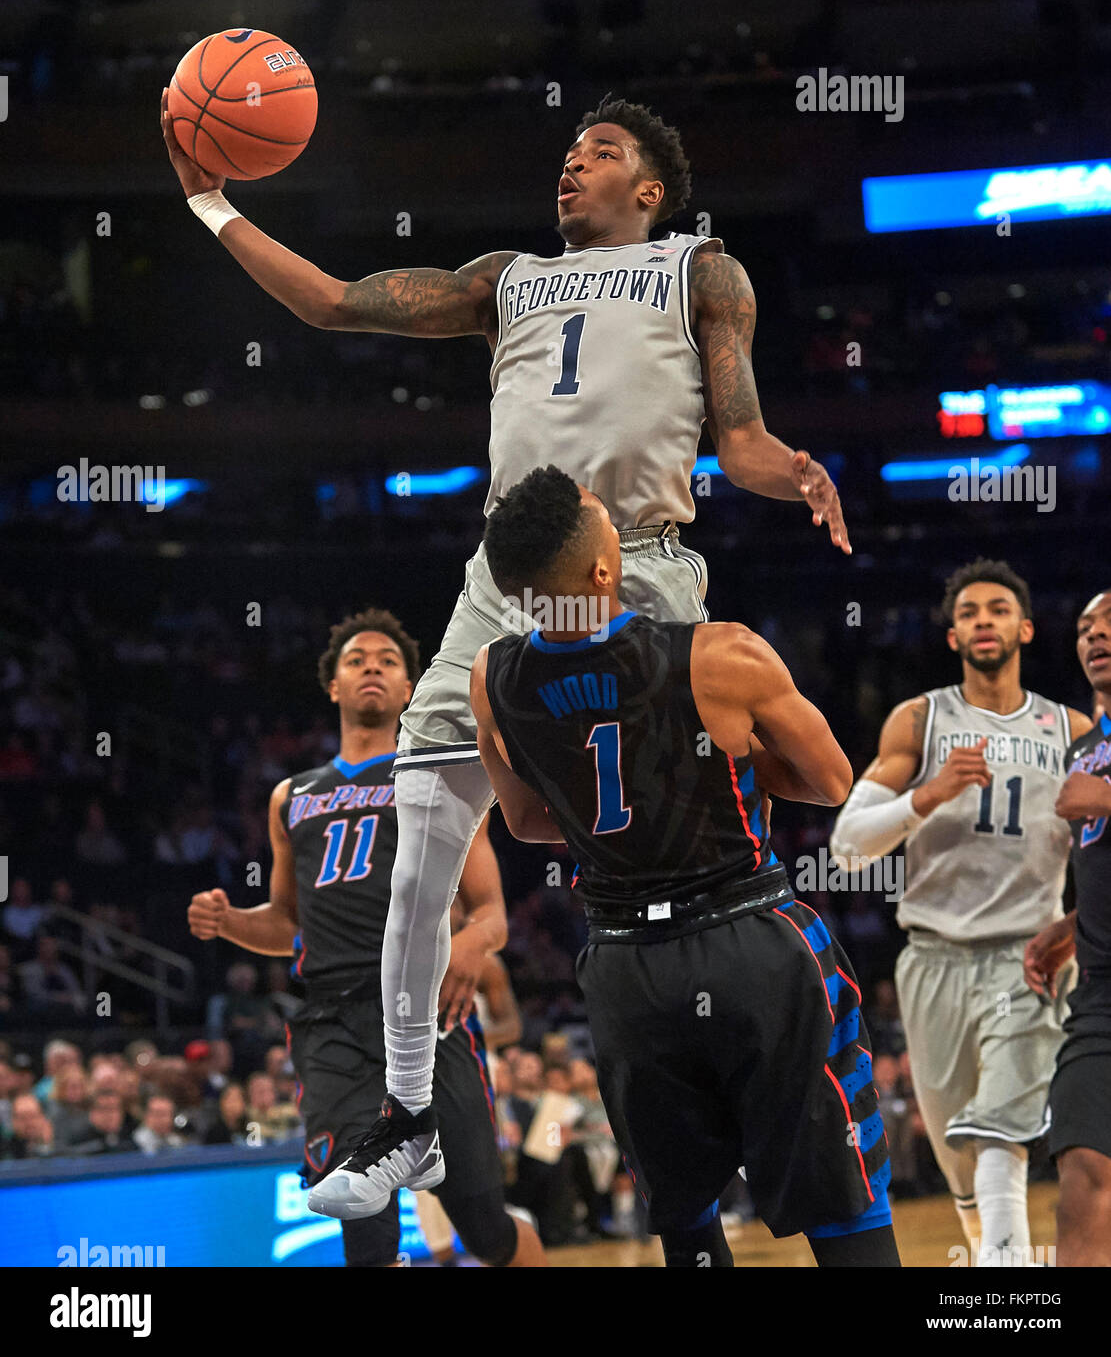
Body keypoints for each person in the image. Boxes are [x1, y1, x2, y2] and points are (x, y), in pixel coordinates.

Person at [162, 89, 851, 1201]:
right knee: (419, 837)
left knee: (683, 831)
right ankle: (409, 1114)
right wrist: (207, 203)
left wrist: (797, 473)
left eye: (602, 152)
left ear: (652, 188)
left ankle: (744, 1046)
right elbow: (338, 304)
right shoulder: (504, 277)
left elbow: (741, 436)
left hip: (636, 561)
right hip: (502, 575)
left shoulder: (701, 271)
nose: (572, 167)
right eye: (568, 154)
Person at [469, 467, 896, 1267]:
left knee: (687, 1218)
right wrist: (725, 764)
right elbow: (831, 780)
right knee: (840, 1196)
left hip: (625, 968)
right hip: (749, 940)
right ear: (604, 569)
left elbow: (526, 821)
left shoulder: (489, 680)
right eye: (602, 514)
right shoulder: (720, 653)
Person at [188, 608, 544, 1267]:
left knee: (484, 1230)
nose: (371, 666)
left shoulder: (444, 775)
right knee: (366, 1226)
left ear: (409, 688)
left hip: (428, 1015)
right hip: (333, 1025)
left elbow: (491, 911)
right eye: (356, 659)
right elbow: (288, 922)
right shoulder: (290, 795)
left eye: (386, 659)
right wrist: (231, 921)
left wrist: (470, 943)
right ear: (333, 687)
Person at [830, 558, 1091, 1266]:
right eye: (969, 611)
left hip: (1027, 958)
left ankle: (1001, 1291)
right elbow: (847, 847)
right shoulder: (919, 719)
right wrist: (927, 794)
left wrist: (1078, 926)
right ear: (951, 635)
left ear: (1025, 629)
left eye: (998, 609)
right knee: (959, 1160)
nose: (983, 620)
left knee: (997, 1132)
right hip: (933, 959)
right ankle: (988, 1254)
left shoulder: (1070, 729)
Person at [1024, 588, 1111, 1265]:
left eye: (1110, 622)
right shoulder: (1080, 747)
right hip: (1100, 998)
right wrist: (1069, 926)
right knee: (1081, 1168)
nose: (1095, 635)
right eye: (1084, 626)